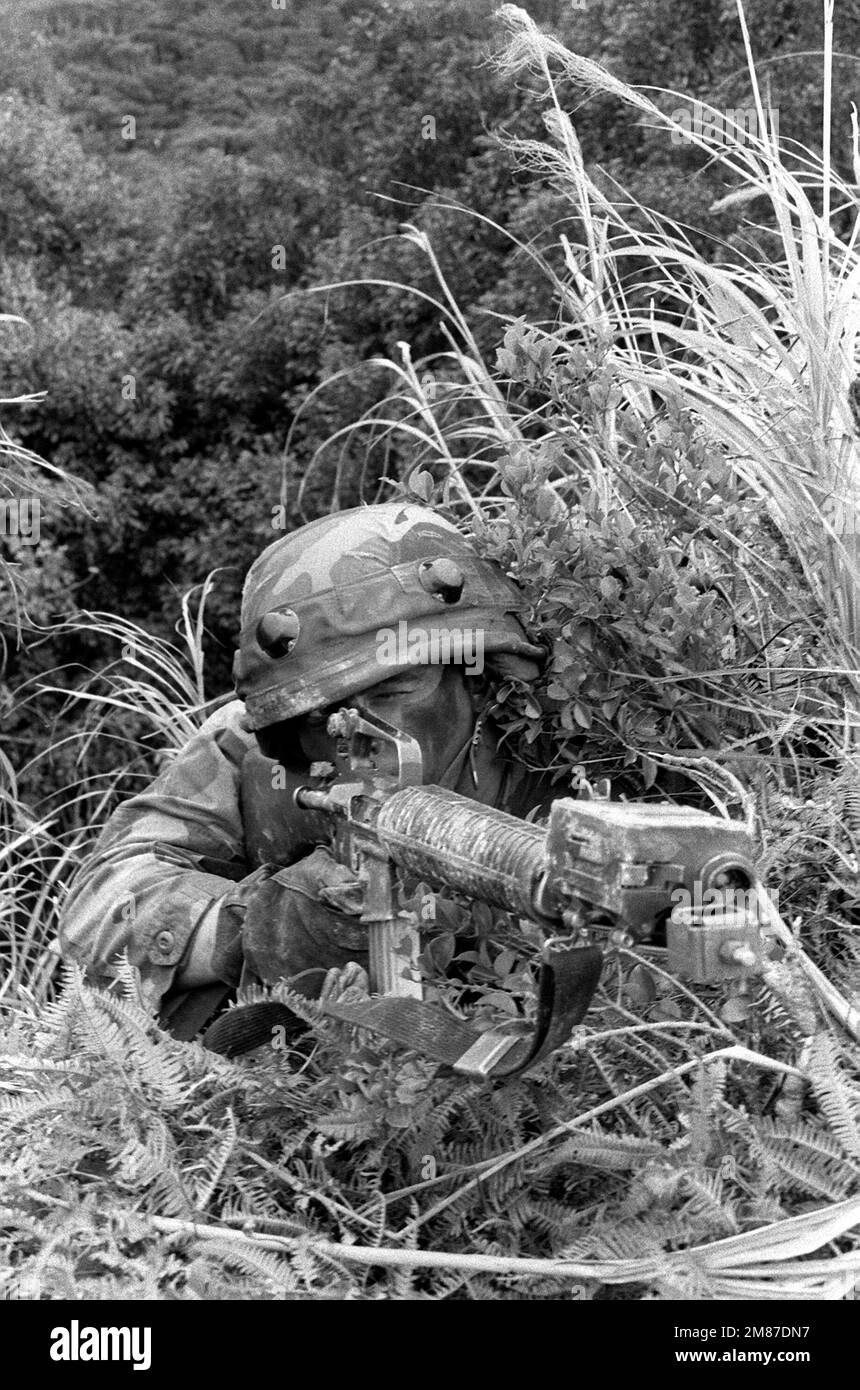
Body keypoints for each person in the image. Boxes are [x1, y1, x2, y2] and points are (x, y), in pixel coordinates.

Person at [59, 502, 555, 1042]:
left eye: (394, 690)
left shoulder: (557, 747)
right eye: (325, 710)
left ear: (475, 674)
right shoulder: (248, 743)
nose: (357, 729)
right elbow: (99, 906)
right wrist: (255, 926)